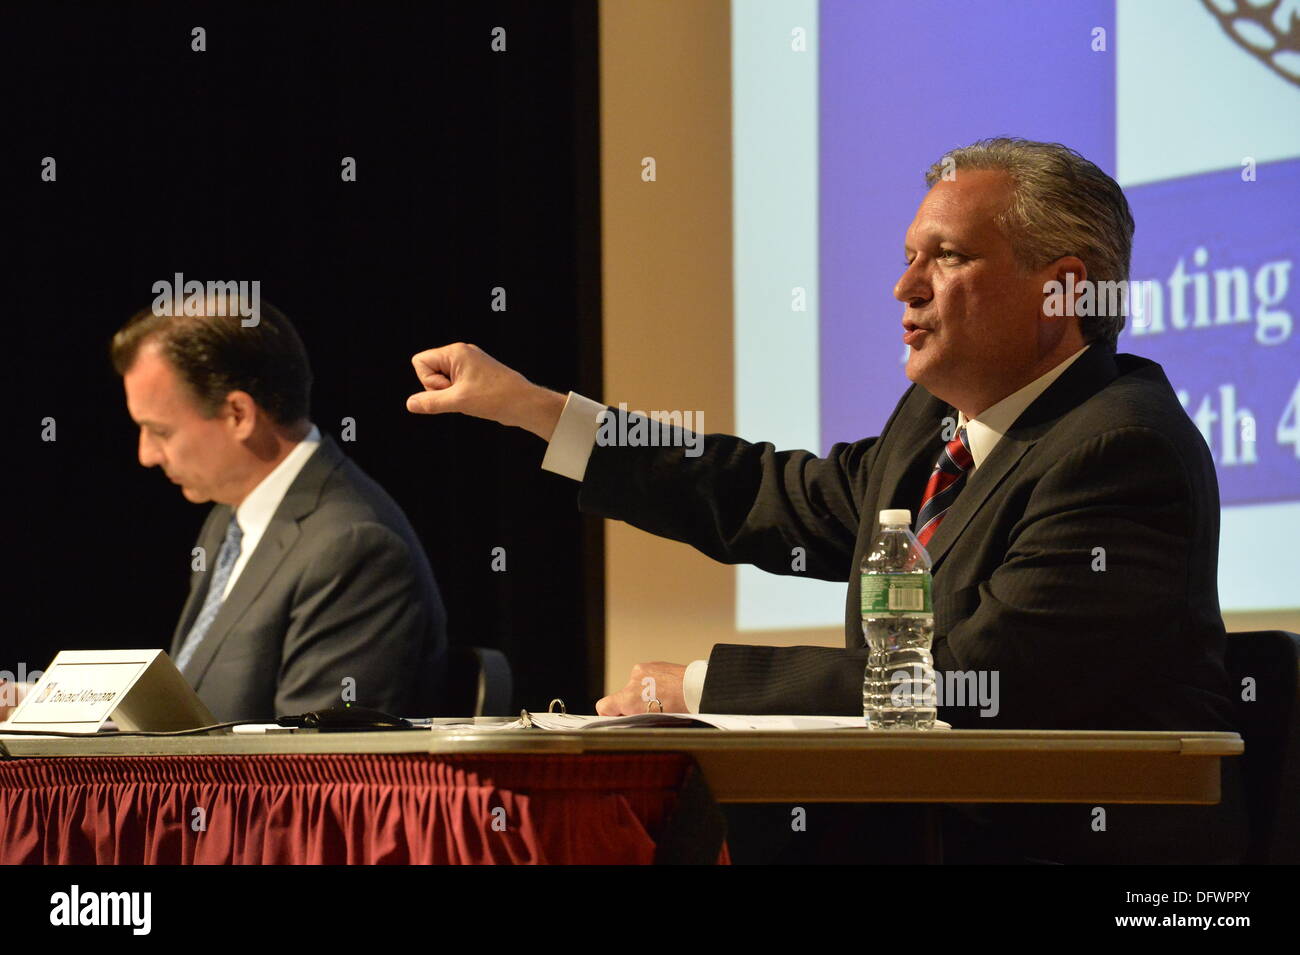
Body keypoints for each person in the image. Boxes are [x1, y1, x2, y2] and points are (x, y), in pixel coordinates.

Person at [403, 138, 1247, 863]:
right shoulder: (937, 425)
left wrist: (702, 687)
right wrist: (538, 410)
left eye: (946, 257)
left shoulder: (1121, 451)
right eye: (910, 255)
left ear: (1062, 290)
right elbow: (768, 495)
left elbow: (969, 683)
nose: (904, 287)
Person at [106, 295, 448, 722]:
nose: (146, 455)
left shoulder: (354, 547)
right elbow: (188, 717)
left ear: (238, 414)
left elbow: (311, 764)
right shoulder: (228, 522)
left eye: (159, 430)